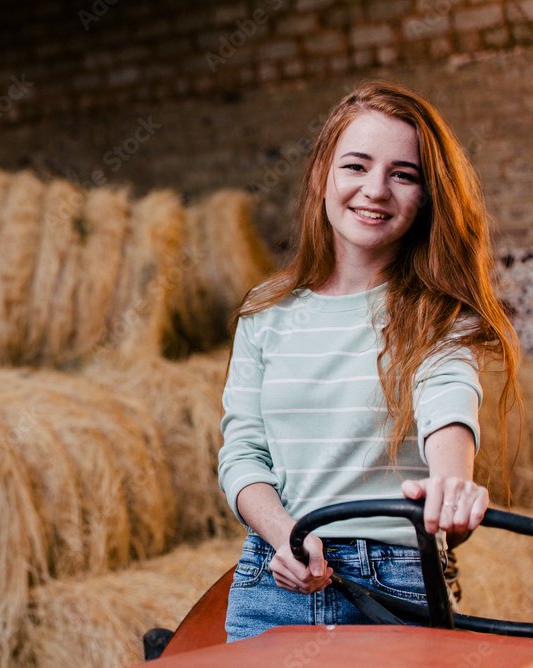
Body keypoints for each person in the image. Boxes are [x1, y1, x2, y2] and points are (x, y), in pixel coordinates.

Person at [217, 79, 523, 642]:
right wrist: (283, 533)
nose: (375, 190)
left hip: (395, 586)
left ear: (428, 196)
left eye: (403, 175)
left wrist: (453, 484)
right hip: (272, 578)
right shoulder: (265, 314)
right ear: (323, 177)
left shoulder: (440, 317)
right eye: (356, 166)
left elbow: (448, 402)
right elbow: (241, 452)